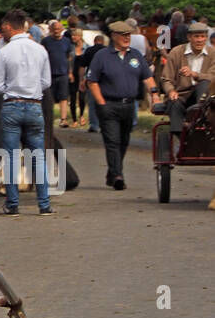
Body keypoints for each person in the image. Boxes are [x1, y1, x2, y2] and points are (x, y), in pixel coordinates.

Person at [85, 20, 158, 191]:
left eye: (129, 35)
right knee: (112, 141)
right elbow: (92, 81)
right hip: (108, 105)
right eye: (123, 35)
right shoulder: (102, 56)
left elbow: (147, 77)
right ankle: (118, 176)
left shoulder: (136, 55)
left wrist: (155, 94)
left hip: (129, 105)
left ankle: (112, 172)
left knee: (124, 141)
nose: (127, 38)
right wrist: (101, 102)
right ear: (114, 36)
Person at [0, 9, 52, 213]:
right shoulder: (40, 49)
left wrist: (13, 89)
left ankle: (12, 204)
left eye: (3, 29)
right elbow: (46, 82)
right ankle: (44, 204)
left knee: (11, 156)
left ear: (9, 26)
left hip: (12, 105)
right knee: (38, 156)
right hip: (35, 105)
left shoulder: (5, 52)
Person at [158, 21, 215, 145]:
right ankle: (182, 137)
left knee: (205, 83)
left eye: (203, 36)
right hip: (181, 94)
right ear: (189, 37)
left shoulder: (212, 53)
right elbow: (166, 78)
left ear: (206, 38)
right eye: (196, 36)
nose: (200, 40)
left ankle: (199, 117)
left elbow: (213, 76)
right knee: (175, 102)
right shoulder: (176, 52)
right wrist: (171, 91)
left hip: (204, 97)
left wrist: (195, 74)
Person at [43, 20, 73, 127]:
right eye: (54, 29)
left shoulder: (66, 41)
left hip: (63, 73)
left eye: (58, 29)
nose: (56, 31)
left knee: (63, 97)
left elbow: (69, 57)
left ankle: (63, 119)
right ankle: (48, 119)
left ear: (61, 30)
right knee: (49, 98)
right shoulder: (46, 41)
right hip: (49, 74)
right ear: (50, 30)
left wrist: (70, 72)